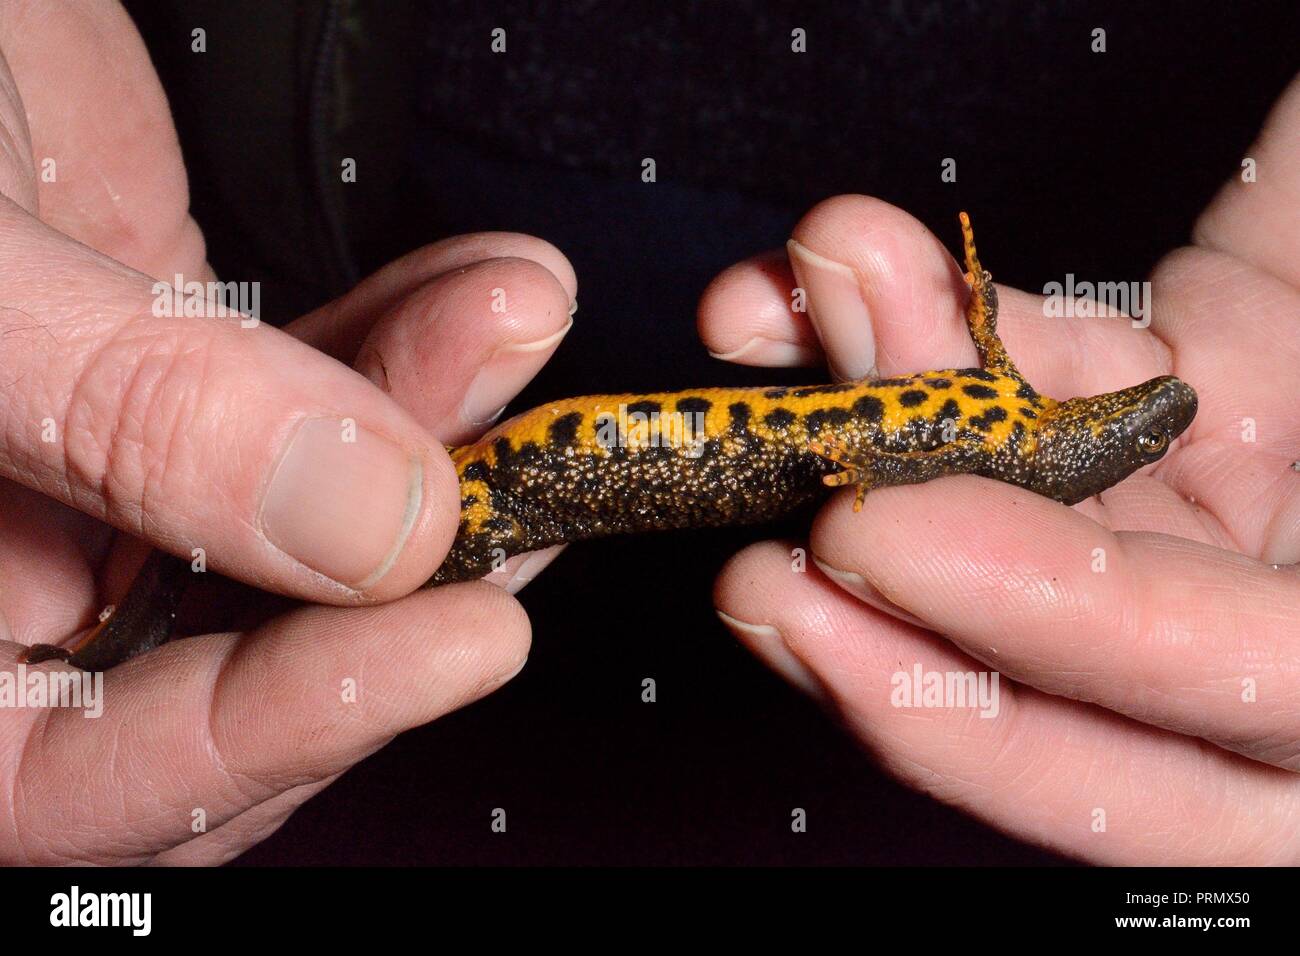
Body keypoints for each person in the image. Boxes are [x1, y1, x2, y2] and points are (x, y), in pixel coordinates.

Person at [0, 3, 1295, 864]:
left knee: (398, 569)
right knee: (396, 520)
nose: (1149, 415)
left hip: (568, 473)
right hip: (467, 226)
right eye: (1145, 416)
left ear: (1093, 449)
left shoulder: (1013, 447)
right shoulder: (1013, 419)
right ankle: (155, 596)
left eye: (1139, 429)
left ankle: (155, 605)